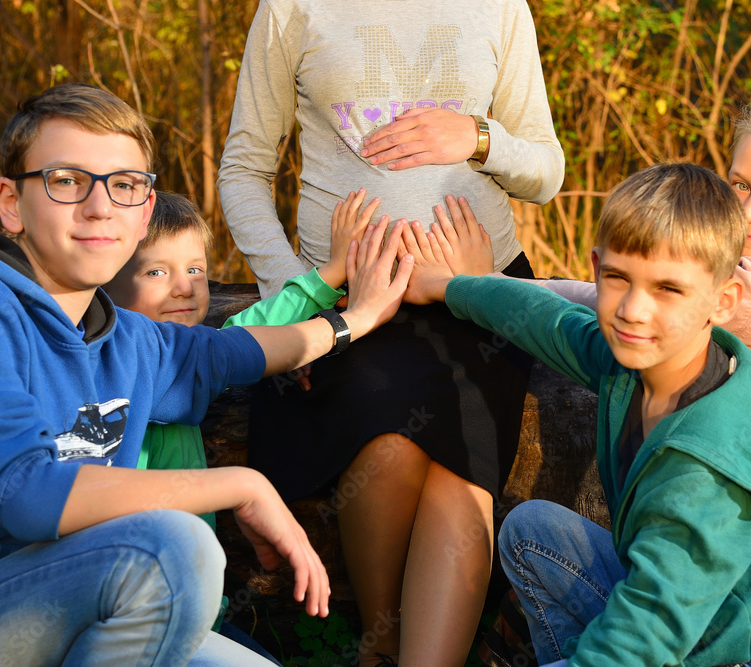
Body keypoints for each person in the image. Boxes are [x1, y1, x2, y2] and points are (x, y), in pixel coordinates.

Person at [0, 83, 412, 666]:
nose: (100, 207)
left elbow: (236, 351)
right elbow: (23, 494)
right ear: (10, 202)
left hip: (89, 615)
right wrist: (242, 484)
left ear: (145, 210)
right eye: (66, 181)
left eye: (124, 185)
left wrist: (349, 322)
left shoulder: (129, 341)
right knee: (171, 546)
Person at [217, 1, 565, 663]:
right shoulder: (294, 8)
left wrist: (479, 136)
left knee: (462, 461)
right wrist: (300, 299)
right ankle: (384, 644)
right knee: (391, 434)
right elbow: (243, 169)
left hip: (478, 297)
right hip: (350, 303)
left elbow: (547, 172)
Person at [401, 162, 751, 666]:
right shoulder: (642, 360)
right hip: (692, 619)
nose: (634, 310)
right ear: (596, 269)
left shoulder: (705, 466)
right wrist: (450, 286)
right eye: (619, 279)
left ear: (723, 300)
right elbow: (550, 322)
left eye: (668, 289)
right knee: (531, 532)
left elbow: (644, 635)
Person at [505, 93, 751, 656]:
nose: (749, 212)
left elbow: (607, 298)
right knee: (536, 535)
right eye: (740, 185)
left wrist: (499, 281)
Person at [104, 189, 375, 528]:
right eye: (156, 272)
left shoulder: (198, 351)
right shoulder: (113, 363)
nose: (185, 288)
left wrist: (332, 273)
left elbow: (255, 329)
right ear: (103, 284)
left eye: (194, 269)